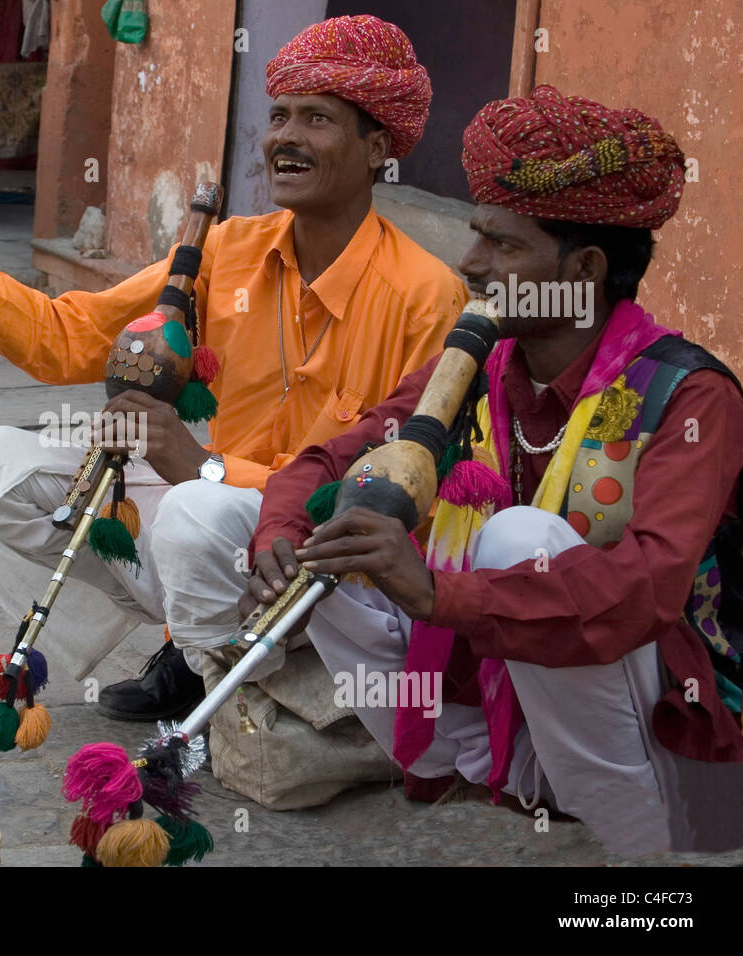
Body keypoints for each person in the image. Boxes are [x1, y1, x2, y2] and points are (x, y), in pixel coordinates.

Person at [0, 16, 464, 736]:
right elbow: (71, 336)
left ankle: (238, 681)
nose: (284, 139)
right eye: (279, 117)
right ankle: (194, 637)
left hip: (320, 548)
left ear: (376, 149)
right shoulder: (228, 251)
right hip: (216, 523)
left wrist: (205, 469)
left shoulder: (426, 296)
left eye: (318, 120)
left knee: (191, 512)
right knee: (5, 467)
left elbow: (391, 498)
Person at [245, 85, 743, 854]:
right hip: (500, 684)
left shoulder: (687, 393)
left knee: (514, 539)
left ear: (581, 267)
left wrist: (441, 592)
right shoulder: (479, 365)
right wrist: (282, 529)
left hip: (655, 714)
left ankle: (642, 839)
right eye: (476, 236)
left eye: (502, 246)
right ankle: (475, 767)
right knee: (313, 531)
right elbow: (330, 457)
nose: (471, 265)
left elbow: (648, 585)